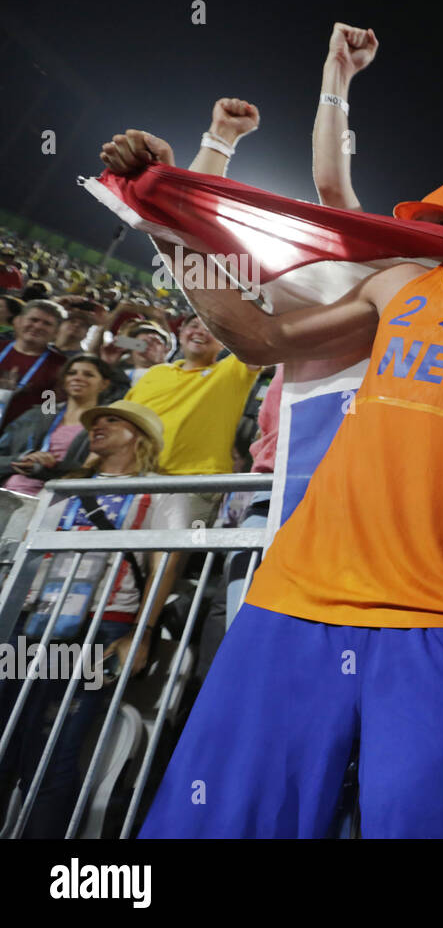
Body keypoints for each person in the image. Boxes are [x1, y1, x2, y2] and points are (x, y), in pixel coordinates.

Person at [100, 105, 443, 838]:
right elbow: (260, 338)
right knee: (217, 824)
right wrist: (166, 219)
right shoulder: (396, 287)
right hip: (300, 596)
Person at [0, 400, 187, 838]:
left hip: (102, 624)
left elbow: (168, 561)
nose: (98, 426)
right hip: (36, 622)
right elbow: (30, 548)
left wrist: (140, 635)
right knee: (8, 737)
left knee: (55, 748)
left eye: (111, 420)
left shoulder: (163, 488)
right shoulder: (63, 487)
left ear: (137, 435)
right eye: (96, 421)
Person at [123, 313, 261, 527]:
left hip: (194, 485)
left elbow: (258, 339)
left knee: (165, 557)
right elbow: (122, 422)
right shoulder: (154, 373)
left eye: (210, 328)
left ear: (223, 340)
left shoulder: (232, 371)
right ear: (180, 333)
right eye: (194, 325)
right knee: (119, 557)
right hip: (134, 480)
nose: (200, 331)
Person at [0, 355, 114, 495]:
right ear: (64, 381)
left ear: (104, 384)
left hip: (59, 500)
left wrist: (49, 467)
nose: (77, 378)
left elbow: (95, 470)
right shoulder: (35, 416)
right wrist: (22, 458)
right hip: (8, 494)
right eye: (71, 373)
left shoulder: (107, 426)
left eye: (88, 375)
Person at [0, 301, 68, 433]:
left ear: (56, 332)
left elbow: (49, 411)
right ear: (18, 321)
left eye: (47, 324)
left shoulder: (61, 366)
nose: (37, 326)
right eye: (33, 320)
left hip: (16, 442)